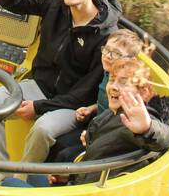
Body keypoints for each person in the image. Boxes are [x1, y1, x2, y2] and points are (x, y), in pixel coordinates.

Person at [0, 0, 121, 164]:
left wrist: (39, 107)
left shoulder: (105, 35)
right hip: (41, 87)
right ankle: (1, 172)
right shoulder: (57, 3)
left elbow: (85, 92)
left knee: (43, 128)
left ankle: (22, 181)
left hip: (72, 104)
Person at [59, 58, 169, 185]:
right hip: (84, 181)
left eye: (123, 82)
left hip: (95, 194)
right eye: (111, 80)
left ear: (143, 92)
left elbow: (166, 139)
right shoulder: (112, 112)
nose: (114, 87)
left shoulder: (136, 120)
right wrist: (70, 177)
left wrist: (148, 128)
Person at [45, 28, 144, 163]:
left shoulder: (126, 85)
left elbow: (118, 118)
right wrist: (91, 108)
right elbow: (107, 103)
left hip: (106, 136)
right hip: (96, 125)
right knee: (60, 142)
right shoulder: (108, 72)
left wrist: (93, 135)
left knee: (66, 154)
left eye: (116, 54)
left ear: (131, 60)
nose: (108, 56)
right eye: (106, 50)